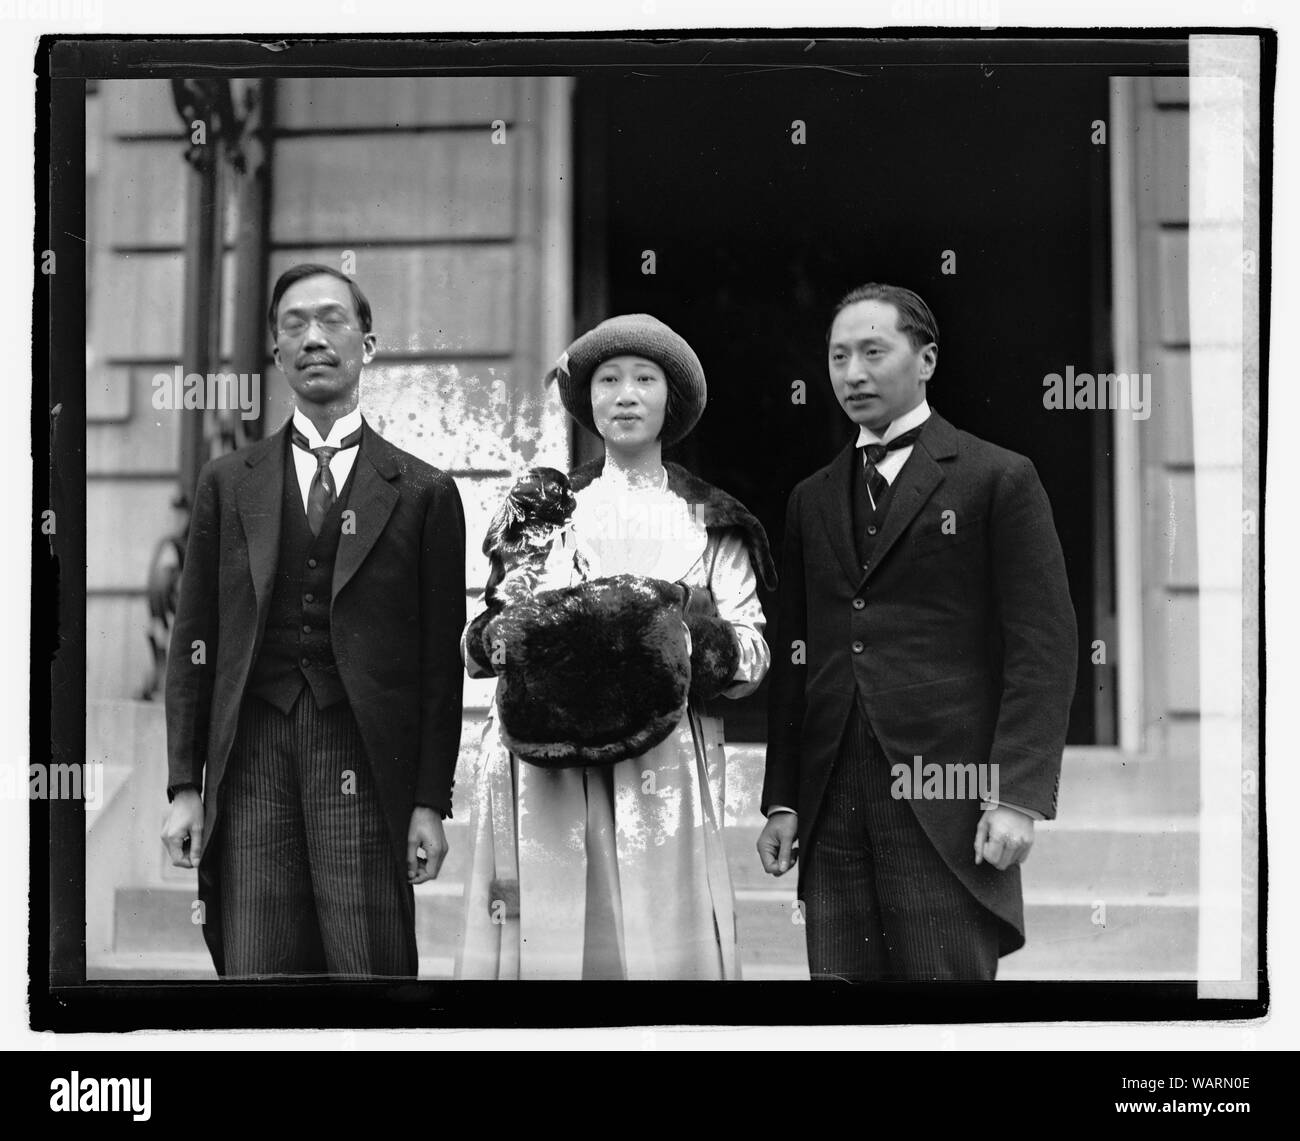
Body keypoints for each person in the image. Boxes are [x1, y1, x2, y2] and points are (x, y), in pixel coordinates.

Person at [759, 283, 1078, 981]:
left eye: (874, 352)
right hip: (832, 800)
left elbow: (1043, 647)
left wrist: (1018, 794)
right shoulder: (811, 497)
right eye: (839, 356)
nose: (853, 373)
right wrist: (782, 798)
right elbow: (795, 656)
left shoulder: (998, 478)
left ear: (926, 358)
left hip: (948, 797)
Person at [160, 264, 467, 978]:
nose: (313, 337)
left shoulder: (424, 492)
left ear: (369, 342)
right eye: (293, 324)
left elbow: (437, 668)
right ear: (275, 354)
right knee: (259, 967)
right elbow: (192, 641)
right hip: (252, 755)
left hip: (362, 755)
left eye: (332, 319)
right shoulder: (228, 483)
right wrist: (184, 786)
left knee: (369, 970)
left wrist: (430, 801)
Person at [457, 314, 775, 980]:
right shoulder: (545, 508)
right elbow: (484, 639)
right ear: (587, 400)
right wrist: (511, 632)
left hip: (663, 768)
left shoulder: (710, 518)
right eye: (607, 379)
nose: (625, 394)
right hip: (547, 765)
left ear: (672, 401)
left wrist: (671, 638)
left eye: (644, 379)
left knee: (656, 949)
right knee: (556, 938)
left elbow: (752, 652)